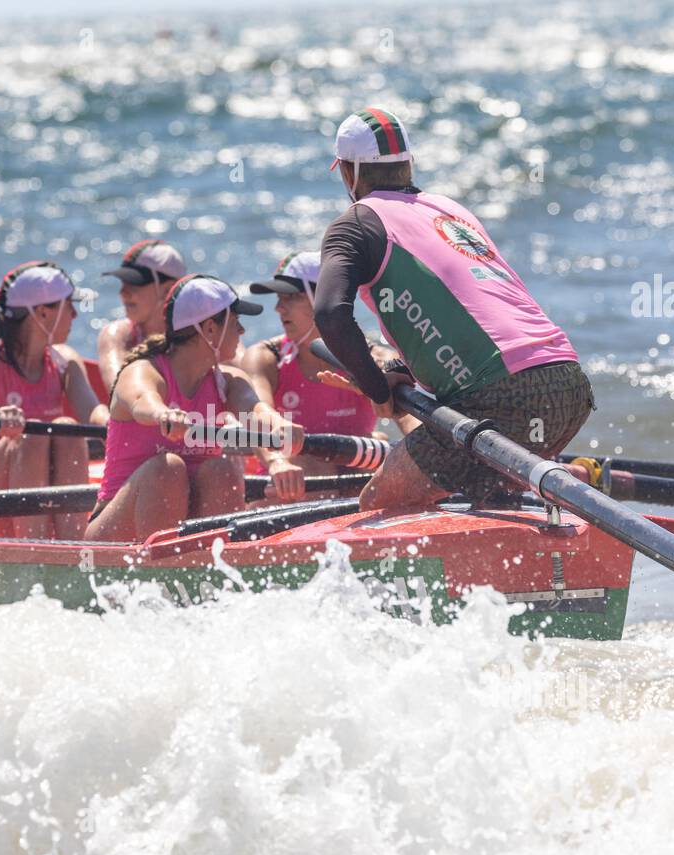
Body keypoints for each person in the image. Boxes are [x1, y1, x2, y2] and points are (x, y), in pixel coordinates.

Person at [313, 107, 595, 511]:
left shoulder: (355, 223)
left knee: (381, 503)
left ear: (348, 173)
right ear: (408, 164)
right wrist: (399, 373)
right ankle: (513, 526)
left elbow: (329, 315)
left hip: (503, 399)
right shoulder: (451, 210)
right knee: (483, 495)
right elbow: (472, 309)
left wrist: (377, 391)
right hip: (569, 386)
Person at [86, 275, 305, 541]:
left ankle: (213, 569)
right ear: (210, 329)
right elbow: (143, 401)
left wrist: (280, 427)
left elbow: (256, 410)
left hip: (181, 520)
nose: (242, 332)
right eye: (236, 323)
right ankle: (161, 571)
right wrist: (162, 414)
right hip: (112, 531)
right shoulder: (143, 371)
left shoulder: (229, 381)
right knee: (167, 468)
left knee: (221, 469)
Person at [0, 261, 110, 539]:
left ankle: (71, 549)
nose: (75, 314)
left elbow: (93, 412)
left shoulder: (66, 360)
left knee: (66, 426)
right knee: (30, 435)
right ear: (42, 313)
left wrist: (118, 428)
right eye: (68, 306)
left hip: (37, 504)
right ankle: (36, 549)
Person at [240, 251, 403, 501]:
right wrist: (275, 460)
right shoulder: (265, 358)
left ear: (323, 299)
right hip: (287, 481)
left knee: (381, 450)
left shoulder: (374, 357)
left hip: (350, 472)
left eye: (290, 297)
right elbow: (253, 415)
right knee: (314, 461)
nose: (278, 308)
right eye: (279, 298)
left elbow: (412, 421)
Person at [96, 240, 188, 394]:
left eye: (134, 284)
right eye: (123, 283)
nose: (123, 292)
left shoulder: (203, 334)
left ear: (168, 289)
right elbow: (120, 391)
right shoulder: (117, 334)